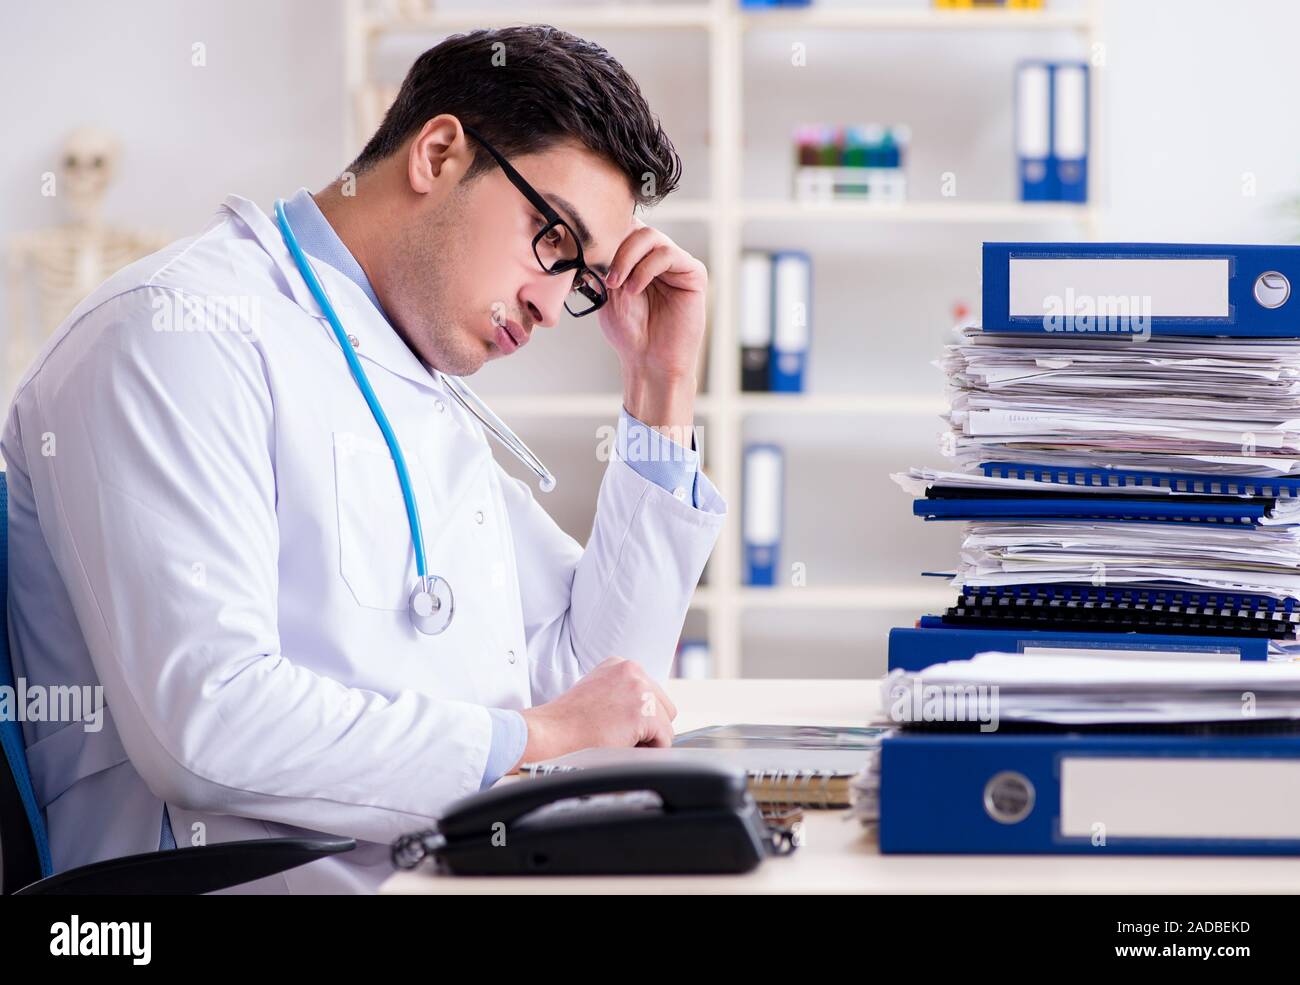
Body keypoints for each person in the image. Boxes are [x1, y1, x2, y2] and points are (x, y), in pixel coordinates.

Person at [2, 25, 724, 893]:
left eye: (581, 280)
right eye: (551, 236)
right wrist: (531, 739)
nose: (547, 299)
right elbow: (208, 728)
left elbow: (603, 686)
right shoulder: (175, 330)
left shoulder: (408, 370)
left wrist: (660, 385)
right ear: (441, 152)